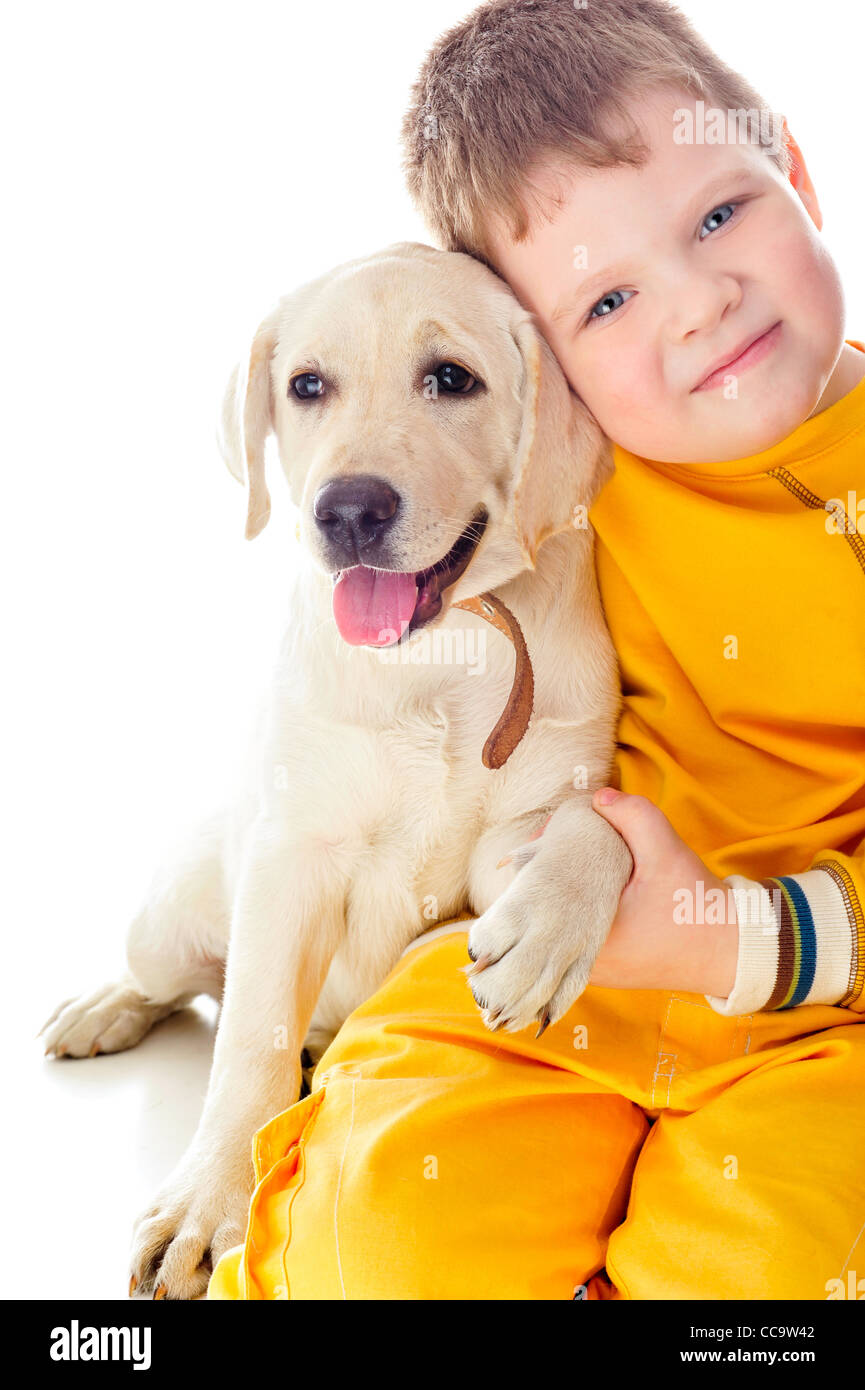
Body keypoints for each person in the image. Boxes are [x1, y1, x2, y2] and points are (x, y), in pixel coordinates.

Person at [209, 0, 865, 1300]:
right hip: (535, 963)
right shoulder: (548, 485)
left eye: (720, 214)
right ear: (544, 371)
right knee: (367, 1247)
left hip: (817, 1004)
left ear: (793, 169)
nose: (698, 305)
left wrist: (736, 936)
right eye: (608, 298)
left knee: (769, 1282)